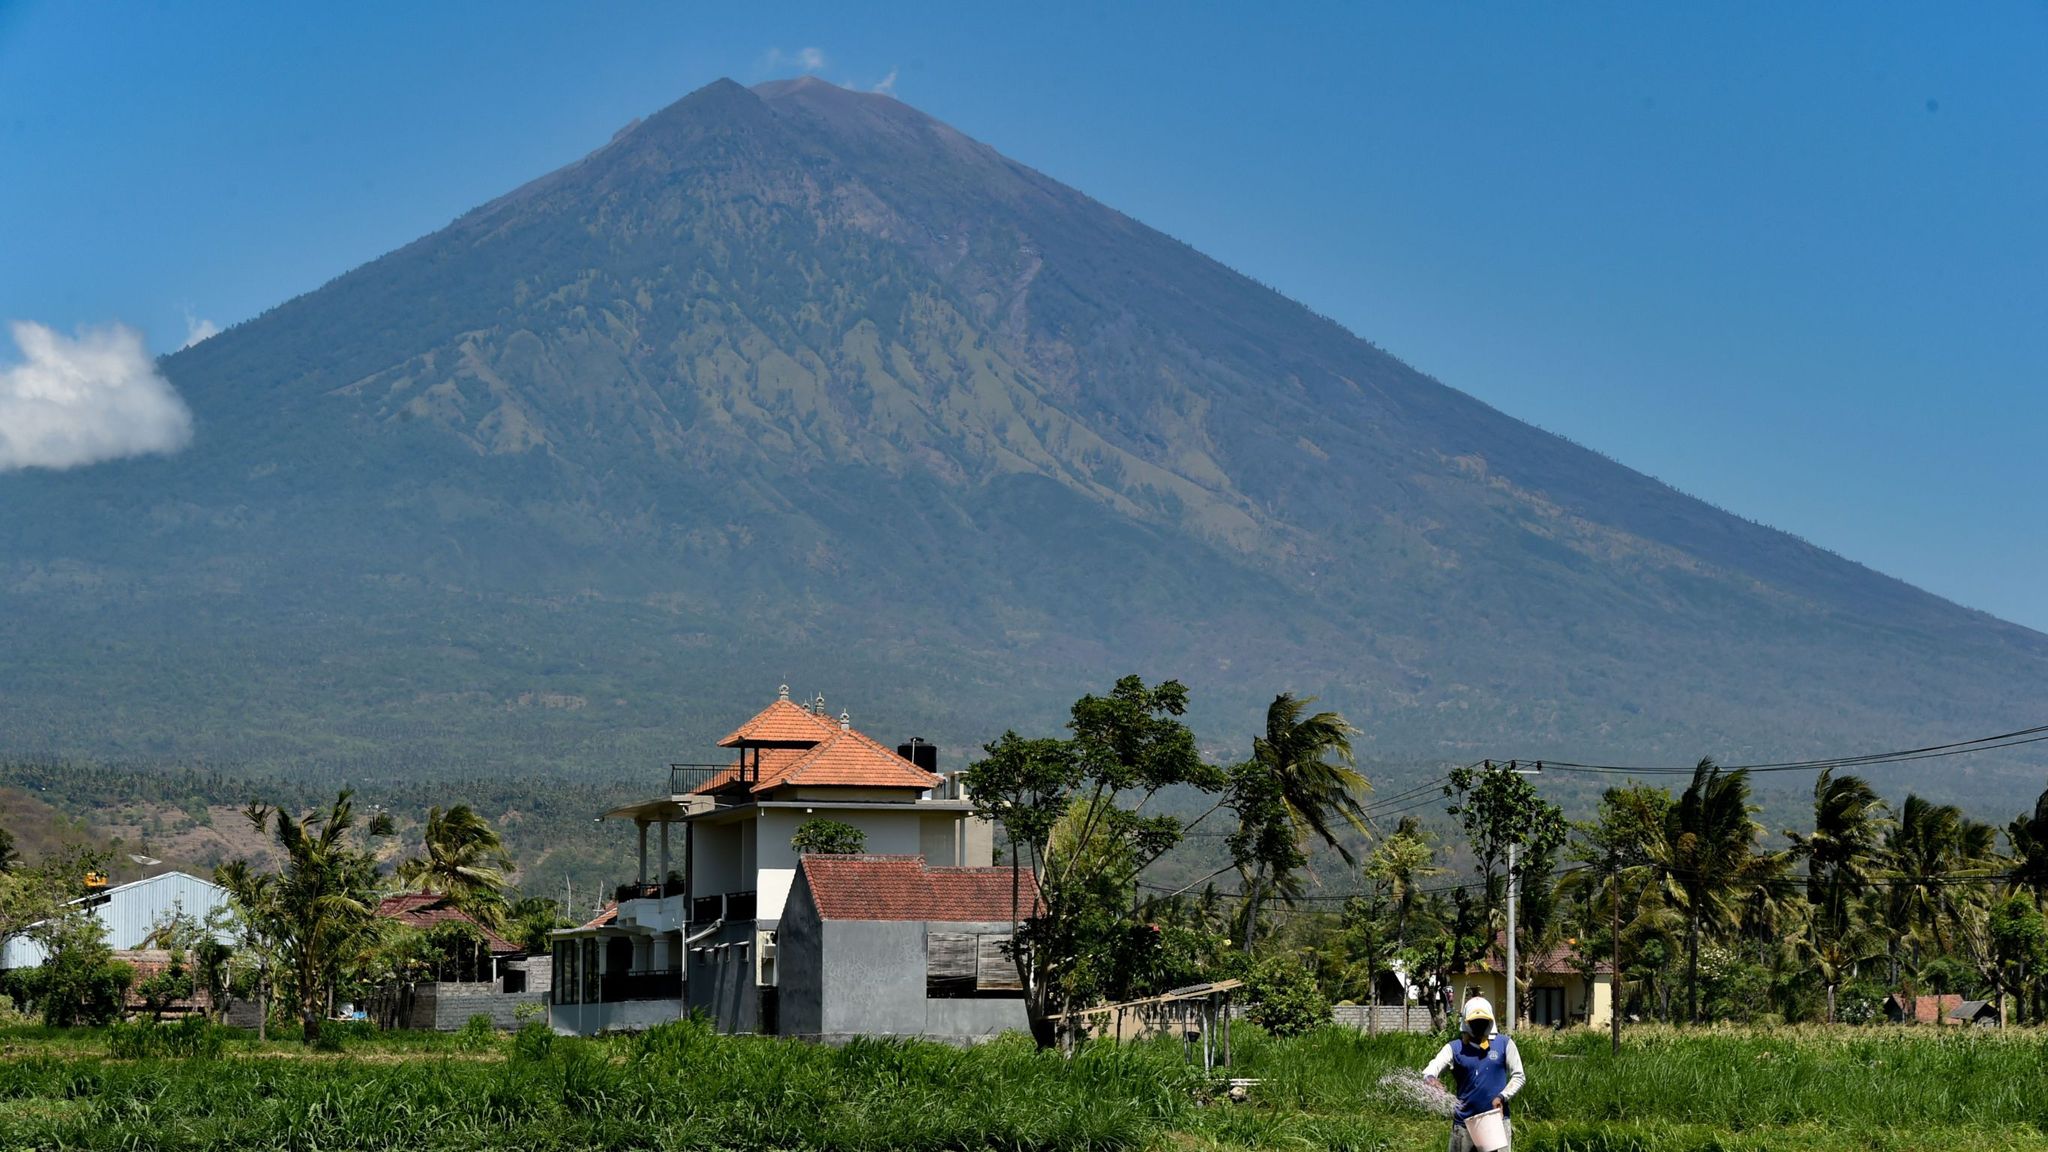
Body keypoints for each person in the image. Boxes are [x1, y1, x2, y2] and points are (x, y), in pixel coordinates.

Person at [1422, 995, 1525, 1151]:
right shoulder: (1455, 1048)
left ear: (1490, 1022)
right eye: (1474, 1022)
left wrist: (1502, 1097)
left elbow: (1519, 1076)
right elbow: (1431, 1069)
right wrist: (1431, 1080)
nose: (1479, 1025)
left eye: (1483, 1022)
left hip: (1497, 1123)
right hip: (1464, 1124)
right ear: (1466, 1023)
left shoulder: (1504, 1044)